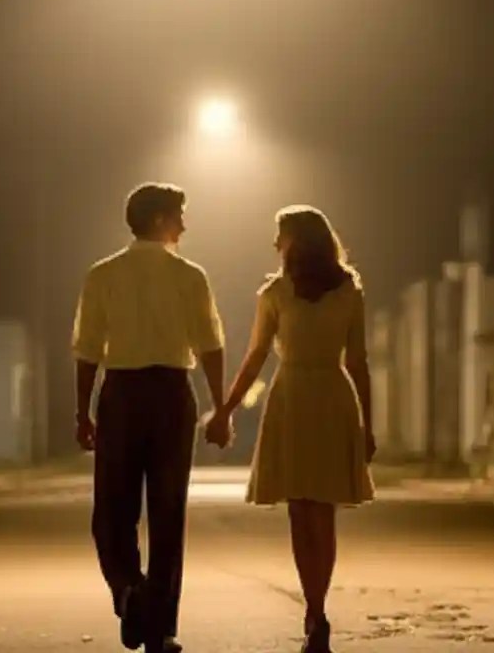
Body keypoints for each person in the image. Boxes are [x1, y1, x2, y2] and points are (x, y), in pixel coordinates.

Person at [205, 204, 375, 653]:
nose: (274, 244)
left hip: (319, 397)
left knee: (320, 509)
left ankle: (316, 609)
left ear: (299, 241)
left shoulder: (347, 291)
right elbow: (256, 356)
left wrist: (367, 424)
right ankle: (315, 610)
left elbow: (358, 360)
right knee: (303, 508)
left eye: (280, 236)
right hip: (295, 398)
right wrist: (225, 409)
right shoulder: (276, 294)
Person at [73, 182, 227, 653]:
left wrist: (83, 411)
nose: (184, 223)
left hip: (120, 394)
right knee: (167, 513)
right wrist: (220, 408)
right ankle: (160, 628)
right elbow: (210, 345)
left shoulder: (103, 275)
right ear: (160, 219)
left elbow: (87, 350)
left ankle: (127, 590)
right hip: (170, 396)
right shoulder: (190, 276)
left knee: (111, 511)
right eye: (179, 214)